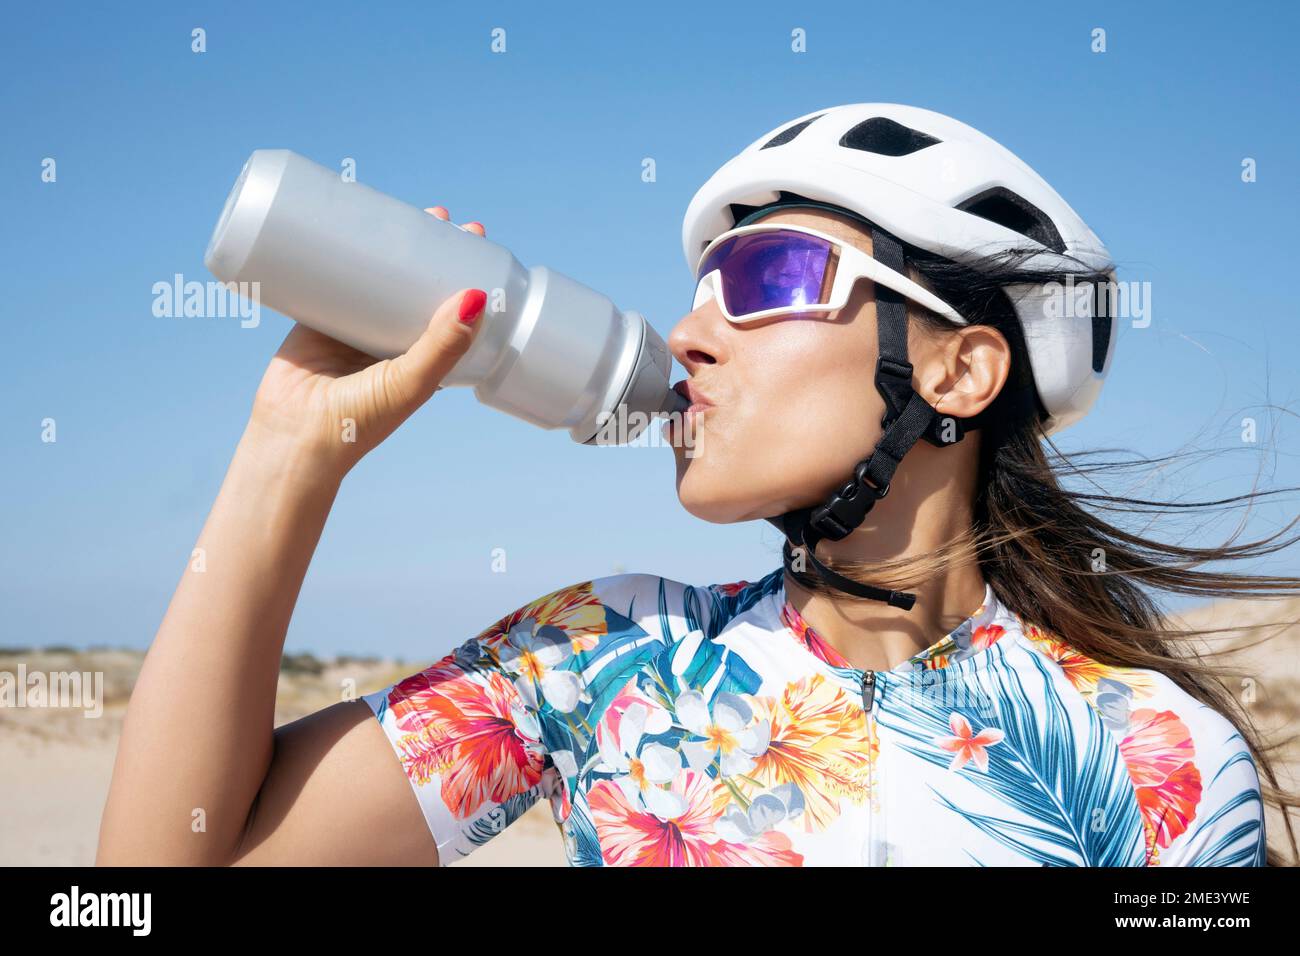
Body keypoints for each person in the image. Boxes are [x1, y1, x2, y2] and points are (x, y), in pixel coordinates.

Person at [97, 104, 1296, 867]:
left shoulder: (1161, 761)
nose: (689, 333)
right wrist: (289, 448)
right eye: (699, 290)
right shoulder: (601, 655)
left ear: (960, 366)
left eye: (768, 273)